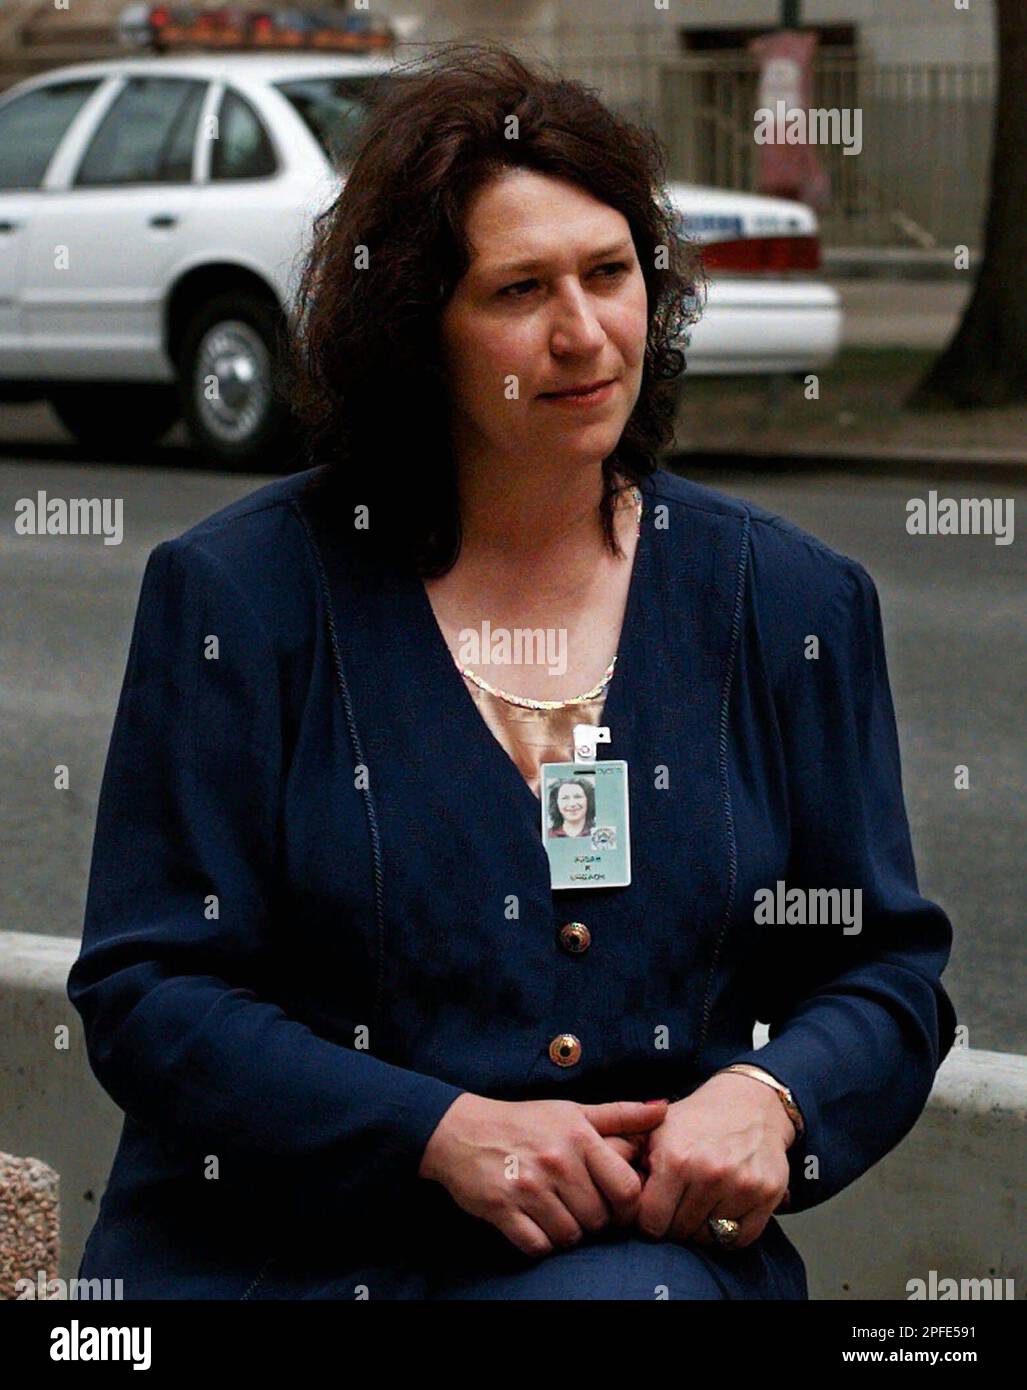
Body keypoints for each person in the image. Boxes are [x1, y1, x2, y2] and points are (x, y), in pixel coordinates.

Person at [67, 43, 956, 1300]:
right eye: (518, 290)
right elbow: (148, 987)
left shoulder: (791, 603)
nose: (583, 332)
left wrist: (773, 1094)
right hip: (287, 1254)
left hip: (631, 1265)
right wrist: (432, 1131)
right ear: (416, 328)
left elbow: (883, 966)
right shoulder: (243, 599)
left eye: (609, 274)